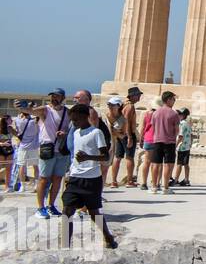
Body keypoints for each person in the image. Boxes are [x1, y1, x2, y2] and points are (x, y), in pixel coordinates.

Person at [60, 103, 117, 251]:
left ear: (86, 117)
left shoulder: (96, 133)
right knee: (67, 210)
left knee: (94, 213)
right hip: (75, 177)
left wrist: (88, 157)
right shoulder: (76, 133)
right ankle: (65, 245)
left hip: (92, 179)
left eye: (76, 120)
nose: (74, 123)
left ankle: (108, 237)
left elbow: (105, 156)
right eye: (72, 120)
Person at [35, 89, 71, 219]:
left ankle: (51, 205)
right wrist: (24, 107)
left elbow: (72, 129)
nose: (54, 98)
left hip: (62, 150)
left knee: (57, 178)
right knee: (44, 179)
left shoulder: (68, 112)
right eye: (52, 96)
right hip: (48, 149)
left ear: (63, 98)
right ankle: (40, 207)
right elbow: (32, 111)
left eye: (57, 96)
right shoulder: (46, 110)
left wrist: (65, 134)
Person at [149, 91, 181, 194]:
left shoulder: (155, 113)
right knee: (168, 165)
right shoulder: (174, 113)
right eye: (173, 99)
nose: (174, 101)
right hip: (169, 142)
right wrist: (173, 137)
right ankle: (165, 187)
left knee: (155, 164)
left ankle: (154, 187)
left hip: (157, 140)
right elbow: (176, 130)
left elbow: (153, 127)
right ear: (168, 100)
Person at [10, 100, 39, 193]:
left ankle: (22, 186)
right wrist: (33, 107)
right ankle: (36, 185)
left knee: (21, 166)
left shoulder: (18, 120)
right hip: (34, 146)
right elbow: (38, 116)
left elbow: (13, 129)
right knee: (35, 166)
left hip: (23, 146)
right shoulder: (34, 120)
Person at [120, 86, 142, 187]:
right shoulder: (130, 106)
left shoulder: (124, 104)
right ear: (132, 96)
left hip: (120, 133)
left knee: (117, 157)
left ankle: (114, 181)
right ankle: (129, 181)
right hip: (127, 134)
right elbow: (127, 121)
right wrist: (129, 136)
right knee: (130, 157)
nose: (139, 97)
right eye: (138, 95)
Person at [172, 107, 193, 186]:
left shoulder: (181, 124)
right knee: (186, 164)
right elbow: (191, 135)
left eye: (179, 114)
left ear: (183, 115)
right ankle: (186, 179)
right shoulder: (188, 124)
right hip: (187, 146)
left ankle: (176, 180)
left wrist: (175, 145)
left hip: (181, 147)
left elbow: (180, 136)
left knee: (179, 164)